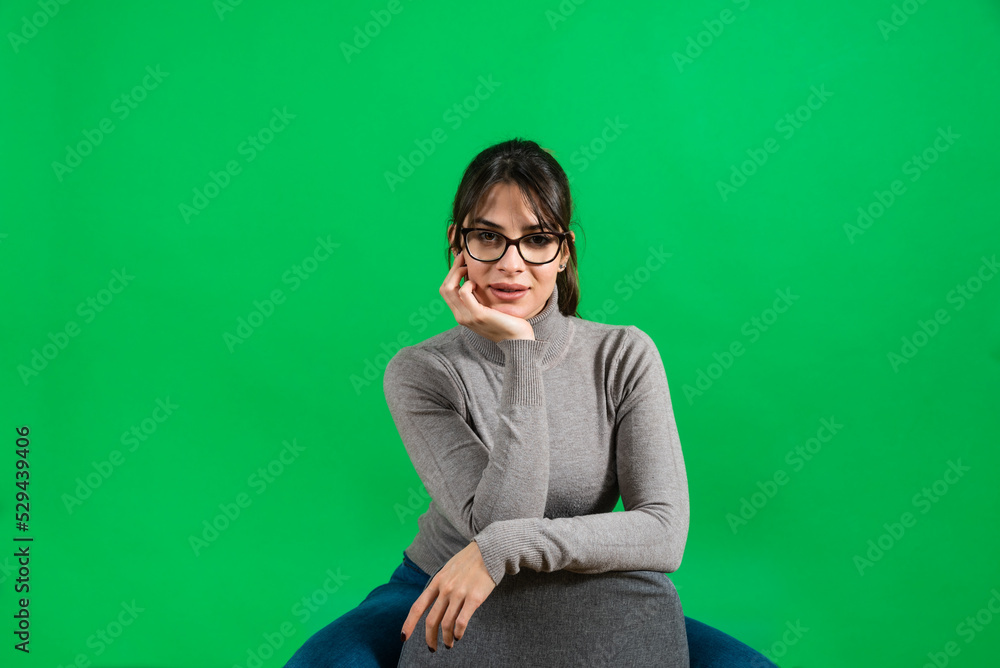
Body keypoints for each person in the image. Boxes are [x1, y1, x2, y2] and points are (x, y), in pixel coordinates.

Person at [283, 139, 776, 667]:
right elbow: (496, 521)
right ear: (458, 244)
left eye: (536, 239)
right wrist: (521, 350)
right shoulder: (421, 372)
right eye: (488, 237)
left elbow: (663, 531)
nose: (511, 263)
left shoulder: (623, 354)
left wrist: (507, 548)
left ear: (563, 252)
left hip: (585, 584)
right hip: (446, 578)